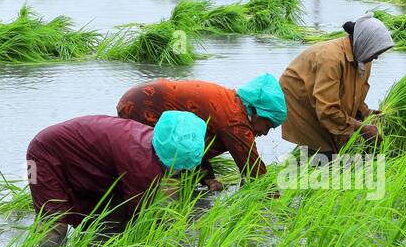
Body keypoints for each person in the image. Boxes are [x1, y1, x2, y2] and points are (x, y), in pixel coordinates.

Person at [25, 110, 207, 246]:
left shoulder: (157, 142)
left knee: (113, 210)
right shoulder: (141, 162)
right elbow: (146, 216)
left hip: (84, 158)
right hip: (42, 152)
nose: (177, 171)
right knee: (52, 217)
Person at [116, 74, 286, 191]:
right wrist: (275, 200)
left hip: (139, 97)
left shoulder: (231, 103)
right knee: (154, 162)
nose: (265, 133)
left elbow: (192, 141)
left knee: (171, 157)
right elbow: (253, 168)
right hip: (142, 105)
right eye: (268, 125)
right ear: (256, 112)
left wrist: (208, 178)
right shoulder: (235, 120)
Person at [279, 15, 394, 157]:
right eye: (375, 52)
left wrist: (366, 113)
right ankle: (308, 166)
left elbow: (354, 93)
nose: (376, 57)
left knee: (340, 145)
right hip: (300, 100)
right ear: (364, 43)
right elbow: (327, 110)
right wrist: (363, 129)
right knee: (324, 150)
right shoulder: (330, 58)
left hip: (321, 98)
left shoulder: (364, 59)